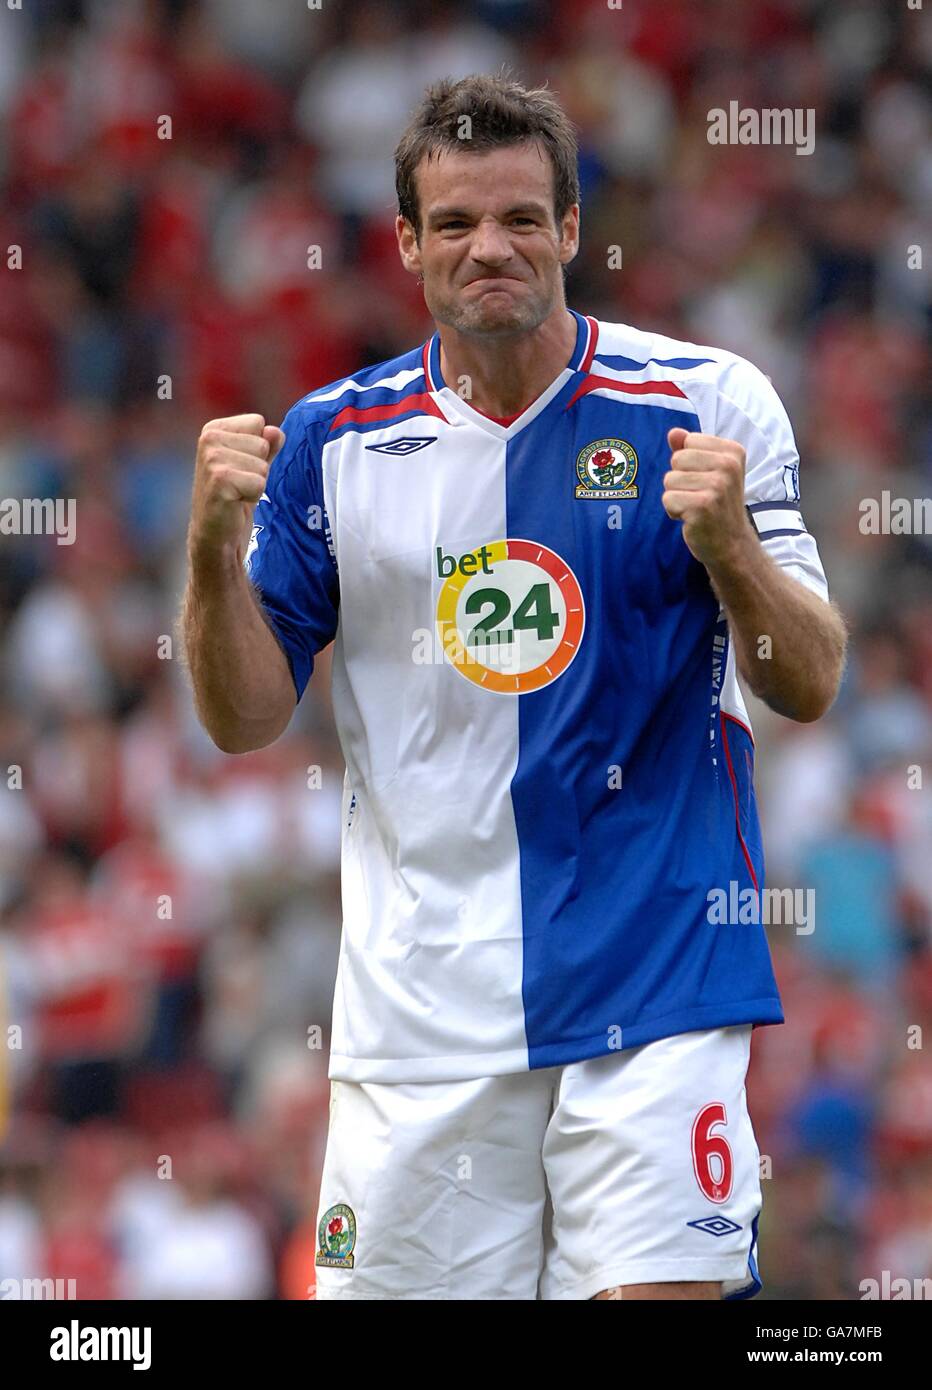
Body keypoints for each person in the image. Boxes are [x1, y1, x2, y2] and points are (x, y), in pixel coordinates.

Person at [181, 74, 847, 1301]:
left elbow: (806, 680)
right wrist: (212, 552)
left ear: (570, 226)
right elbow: (241, 716)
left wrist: (731, 554)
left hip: (654, 986)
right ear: (405, 243)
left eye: (519, 217)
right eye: (454, 222)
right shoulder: (331, 441)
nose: (488, 246)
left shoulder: (704, 404)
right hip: (420, 1016)